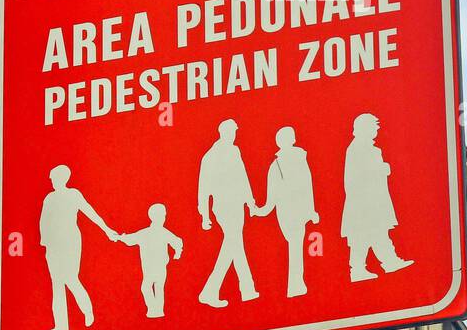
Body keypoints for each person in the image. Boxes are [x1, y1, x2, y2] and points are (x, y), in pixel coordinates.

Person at [39, 164, 117, 330]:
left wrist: (107, 230)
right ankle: (61, 325)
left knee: (70, 278)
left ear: (61, 178)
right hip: (54, 244)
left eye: (53, 177)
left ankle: (87, 311)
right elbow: (43, 221)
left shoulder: (73, 194)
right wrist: (45, 242)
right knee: (56, 284)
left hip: (71, 240)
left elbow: (90, 213)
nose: (51, 180)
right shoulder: (49, 198)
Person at [341, 113, 412, 282]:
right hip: (364, 202)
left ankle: (388, 261)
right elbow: (357, 176)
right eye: (374, 126)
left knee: (376, 233)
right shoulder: (358, 148)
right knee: (363, 236)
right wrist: (382, 169)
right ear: (363, 128)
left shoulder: (368, 148)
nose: (377, 130)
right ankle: (359, 269)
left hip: (373, 199)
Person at [197, 119, 260, 307]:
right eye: (232, 132)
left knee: (234, 245)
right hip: (223, 207)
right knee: (233, 243)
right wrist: (205, 215)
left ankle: (246, 289)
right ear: (223, 132)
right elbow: (203, 188)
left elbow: (242, 177)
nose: (234, 135)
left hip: (237, 204)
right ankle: (212, 290)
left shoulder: (235, 151)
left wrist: (250, 202)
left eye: (235, 132)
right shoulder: (210, 156)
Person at [257, 126, 319, 297]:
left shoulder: (277, 165)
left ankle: (295, 285)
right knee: (296, 247)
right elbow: (307, 186)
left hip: (287, 213)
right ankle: (296, 285)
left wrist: (260, 211)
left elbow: (272, 199)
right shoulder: (296, 160)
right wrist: (311, 211)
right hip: (296, 211)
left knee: (295, 246)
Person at [118, 203, 183, 318]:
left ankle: (154, 309)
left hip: (153, 267)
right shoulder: (161, 232)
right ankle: (157, 310)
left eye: (164, 216)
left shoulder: (146, 233)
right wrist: (178, 252)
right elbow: (177, 241)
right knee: (158, 287)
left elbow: (130, 239)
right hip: (159, 267)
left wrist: (120, 237)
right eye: (163, 216)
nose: (164, 218)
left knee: (147, 287)